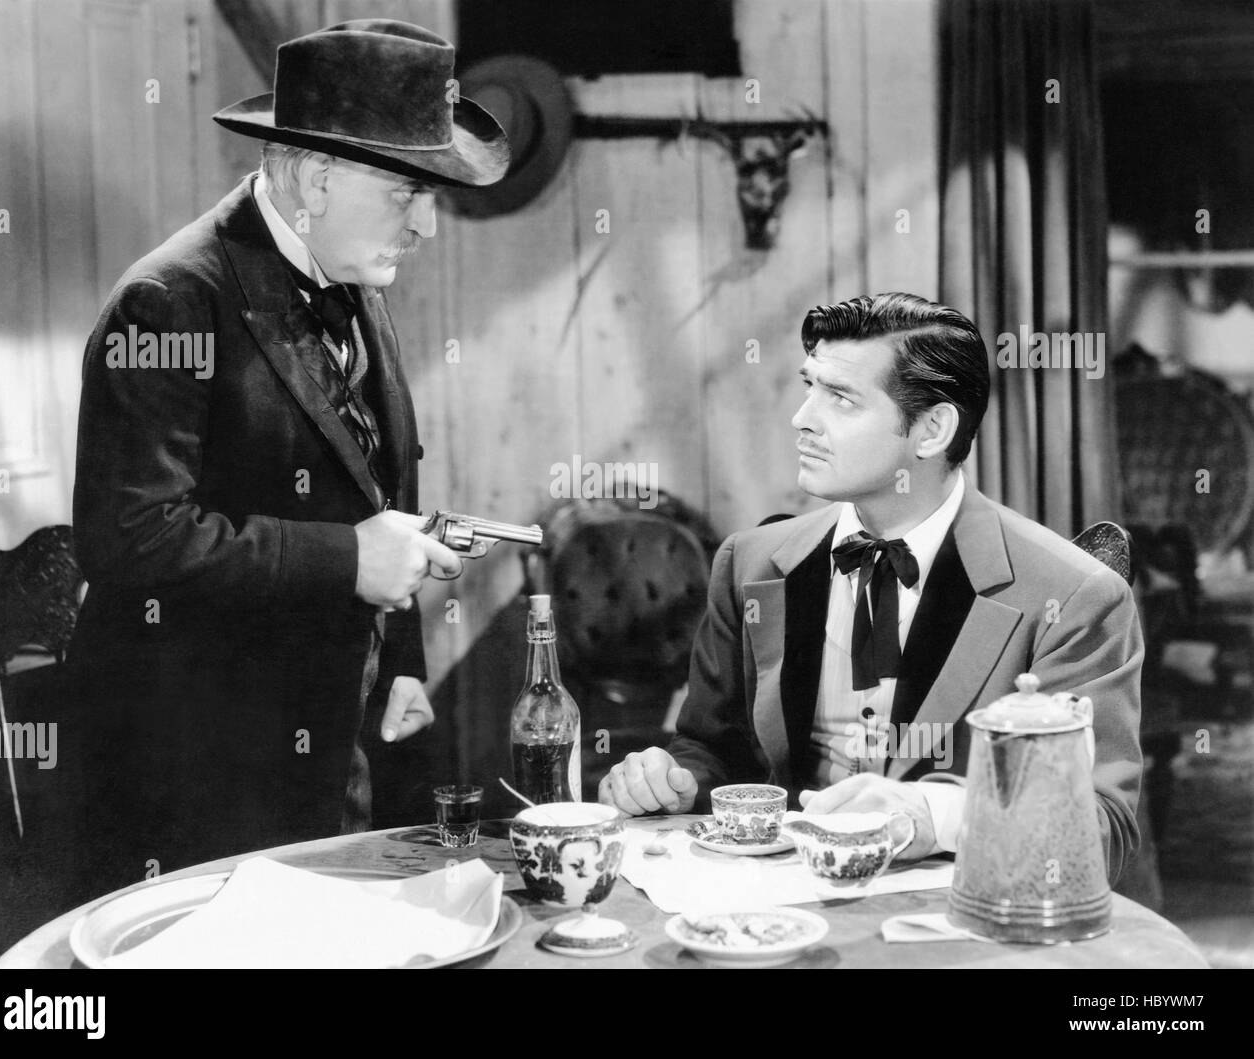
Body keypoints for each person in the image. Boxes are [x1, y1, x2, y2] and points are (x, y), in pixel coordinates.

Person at [65, 20, 509, 893]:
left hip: (326, 743)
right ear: (315, 177)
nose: (427, 223)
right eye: (408, 191)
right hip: (194, 772)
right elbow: (129, 536)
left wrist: (403, 663)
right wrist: (350, 560)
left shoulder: (349, 266)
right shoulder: (167, 301)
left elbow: (373, 488)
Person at [599, 293, 1143, 884]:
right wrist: (670, 781)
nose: (803, 418)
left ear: (932, 430)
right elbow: (709, 749)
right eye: (810, 386)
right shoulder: (750, 565)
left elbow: (1100, 830)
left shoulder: (1075, 596)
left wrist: (933, 817)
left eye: (841, 398)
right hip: (776, 909)